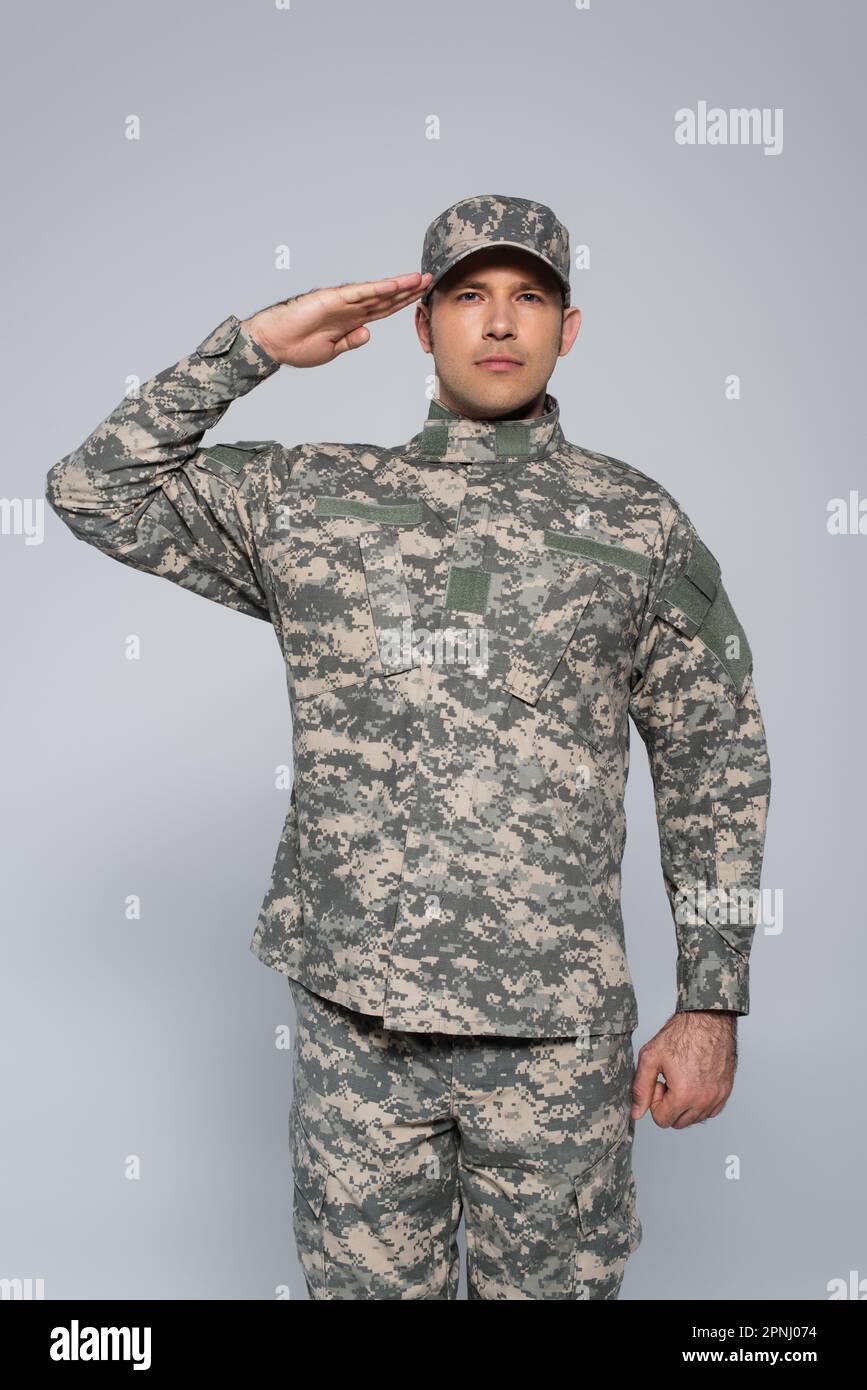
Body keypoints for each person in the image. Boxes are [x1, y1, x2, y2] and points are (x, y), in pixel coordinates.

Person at [45, 193, 771, 1300]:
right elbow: (94, 488)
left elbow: (716, 759)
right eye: (468, 296)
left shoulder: (633, 525)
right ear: (423, 321)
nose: (498, 323)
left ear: (568, 330)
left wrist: (712, 1000)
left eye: (530, 297)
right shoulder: (318, 497)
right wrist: (253, 348)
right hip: (356, 1031)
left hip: (555, 1037)